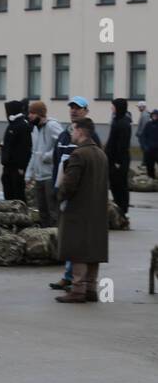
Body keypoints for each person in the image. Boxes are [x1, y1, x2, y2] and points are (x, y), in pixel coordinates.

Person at [47, 96, 100, 291]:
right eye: (71, 108)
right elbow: (57, 163)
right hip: (64, 193)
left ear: (86, 111)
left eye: (78, 108)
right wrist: (56, 189)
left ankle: (75, 281)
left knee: (76, 240)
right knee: (67, 237)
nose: (73, 111)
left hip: (79, 197)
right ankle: (69, 276)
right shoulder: (63, 135)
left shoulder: (91, 139)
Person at [54, 118, 109, 303]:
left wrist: (60, 196)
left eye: (73, 130)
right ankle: (91, 289)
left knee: (77, 248)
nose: (71, 133)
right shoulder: (101, 154)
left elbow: (69, 184)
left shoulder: (79, 155)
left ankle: (78, 290)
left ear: (80, 131)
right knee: (94, 249)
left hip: (78, 209)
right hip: (98, 210)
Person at [104, 97, 132, 223]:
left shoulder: (123, 123)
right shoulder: (117, 120)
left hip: (118, 162)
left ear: (119, 107)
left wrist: (118, 162)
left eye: (113, 106)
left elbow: (122, 144)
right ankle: (119, 210)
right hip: (113, 160)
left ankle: (122, 211)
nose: (111, 108)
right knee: (115, 187)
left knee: (120, 187)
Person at [0, 99, 32, 202]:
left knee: (17, 195)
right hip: (8, 167)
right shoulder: (12, 124)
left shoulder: (22, 125)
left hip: (16, 168)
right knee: (8, 193)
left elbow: (25, 148)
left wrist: (21, 167)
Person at [140, 105, 158, 179]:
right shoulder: (148, 124)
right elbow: (143, 136)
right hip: (149, 150)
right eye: (153, 115)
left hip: (157, 150)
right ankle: (151, 180)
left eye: (156, 115)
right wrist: (145, 146)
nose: (154, 116)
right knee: (149, 167)